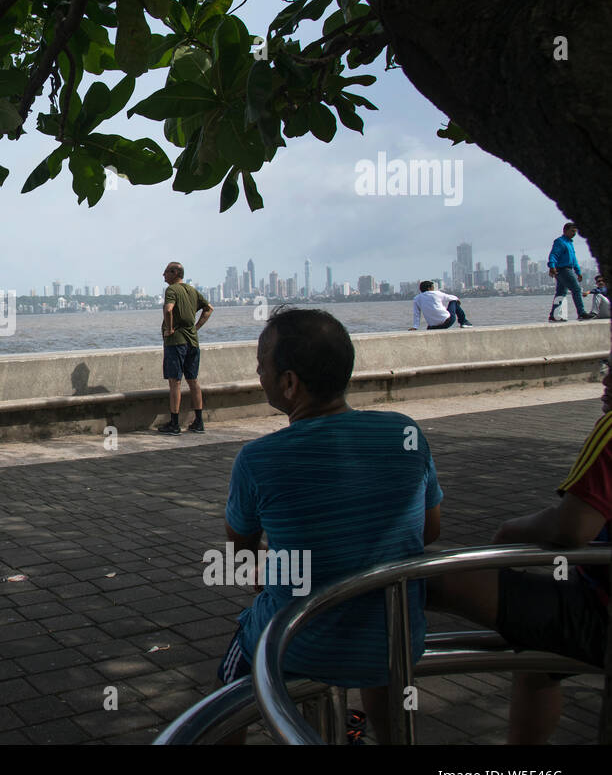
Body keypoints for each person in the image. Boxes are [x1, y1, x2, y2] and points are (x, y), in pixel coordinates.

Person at [216, 308, 442, 744]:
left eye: (262, 361)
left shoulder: (258, 458)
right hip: (394, 635)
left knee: (225, 693)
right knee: (380, 663)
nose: (257, 370)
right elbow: (429, 532)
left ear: (289, 383)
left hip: (298, 640)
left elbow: (242, 551)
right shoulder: (404, 432)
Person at [430, 366, 610, 743]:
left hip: (599, 611)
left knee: (429, 576)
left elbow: (572, 528)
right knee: (537, 662)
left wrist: (509, 533)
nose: (605, 380)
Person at [157, 261, 213, 434]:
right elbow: (209, 309)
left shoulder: (172, 290)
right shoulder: (192, 290)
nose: (163, 275)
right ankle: (199, 422)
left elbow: (168, 309)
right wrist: (196, 328)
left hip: (176, 343)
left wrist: (170, 328)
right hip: (193, 343)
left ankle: (174, 424)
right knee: (193, 381)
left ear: (175, 273)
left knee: (175, 382)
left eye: (166, 272)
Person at [548, 222, 592, 321]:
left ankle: (553, 315)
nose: (574, 233)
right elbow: (553, 255)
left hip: (567, 269)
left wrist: (578, 271)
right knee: (576, 289)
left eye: (575, 231)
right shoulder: (560, 242)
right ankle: (581, 312)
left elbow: (573, 259)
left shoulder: (570, 243)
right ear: (565, 231)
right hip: (563, 270)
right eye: (572, 231)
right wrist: (552, 266)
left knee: (560, 293)